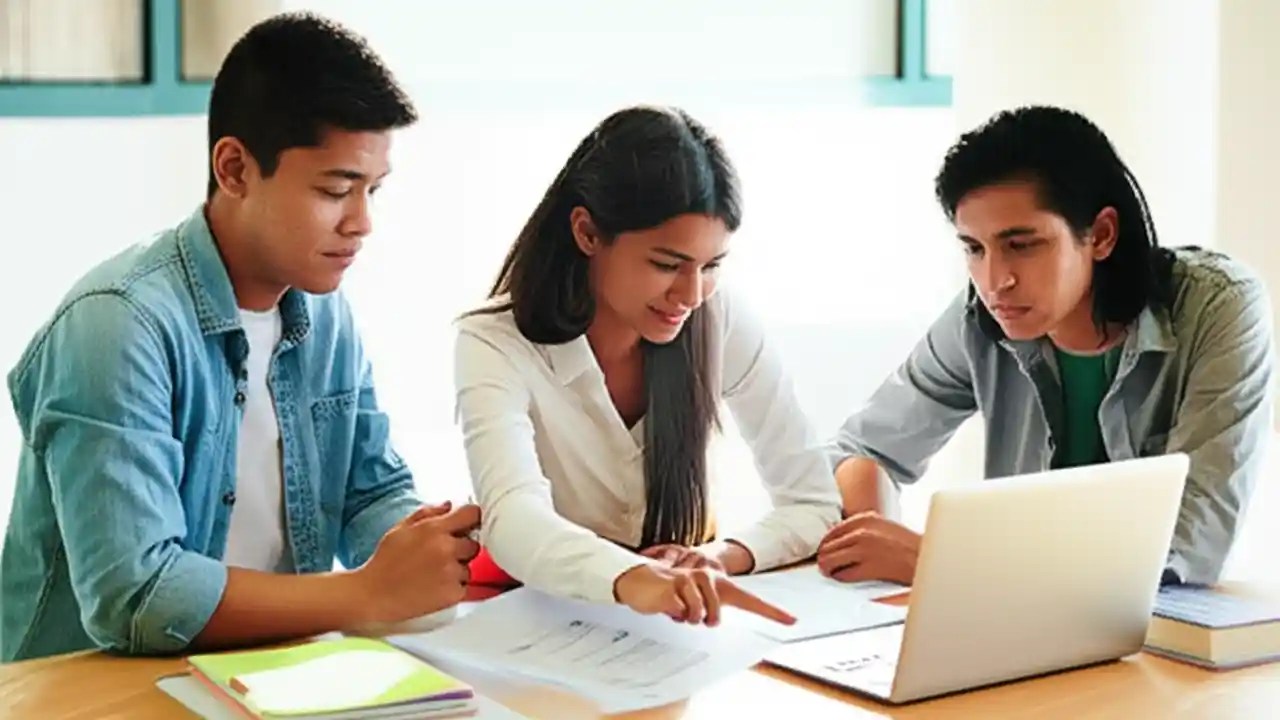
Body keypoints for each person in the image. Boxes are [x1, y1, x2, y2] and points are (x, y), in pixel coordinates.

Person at [1, 12, 480, 663]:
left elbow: (370, 495)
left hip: (260, 674)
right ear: (234, 169)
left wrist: (456, 544)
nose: (362, 222)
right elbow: (135, 596)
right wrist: (363, 594)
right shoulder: (115, 326)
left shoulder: (324, 314)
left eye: (373, 190)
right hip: (84, 691)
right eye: (336, 189)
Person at [819, 105, 1274, 588]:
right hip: (1019, 624)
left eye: (1022, 245)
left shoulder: (1220, 308)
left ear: (1100, 235)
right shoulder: (980, 315)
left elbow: (1193, 543)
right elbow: (860, 450)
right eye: (974, 248)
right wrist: (867, 537)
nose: (995, 281)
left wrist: (941, 563)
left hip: (1167, 632)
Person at [454, 105, 841, 626]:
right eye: (666, 264)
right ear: (587, 233)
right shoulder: (494, 341)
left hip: (673, 633)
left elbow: (812, 502)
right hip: (538, 622)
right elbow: (514, 519)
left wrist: (717, 558)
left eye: (712, 266)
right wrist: (631, 578)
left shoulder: (719, 317)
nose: (691, 293)